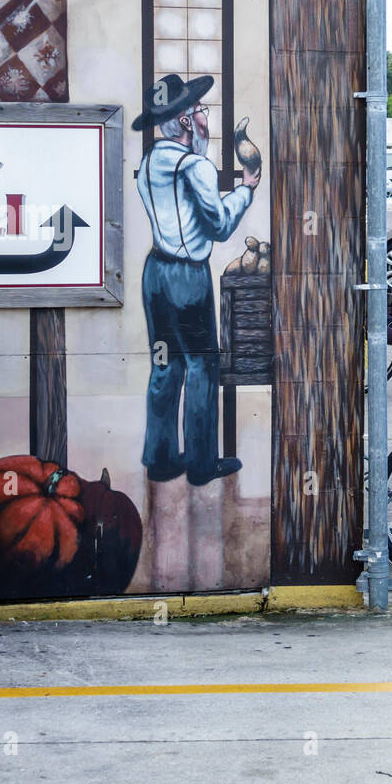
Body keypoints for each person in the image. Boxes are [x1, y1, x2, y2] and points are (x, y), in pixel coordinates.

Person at [133, 73, 261, 486]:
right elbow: (220, 227)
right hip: (188, 276)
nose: (206, 116)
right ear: (187, 121)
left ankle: (160, 456)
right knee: (203, 365)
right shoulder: (195, 166)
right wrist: (245, 190)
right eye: (200, 111)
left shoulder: (152, 159)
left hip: (155, 272)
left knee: (164, 364)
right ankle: (203, 465)